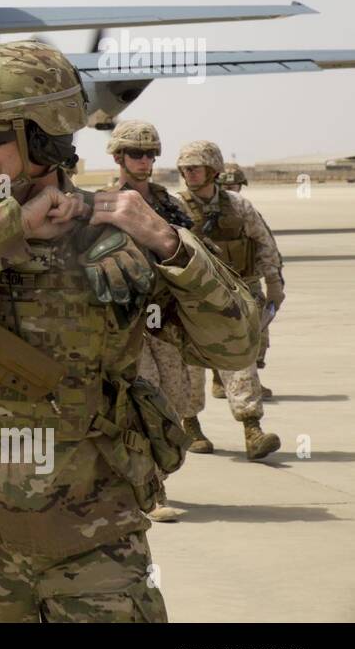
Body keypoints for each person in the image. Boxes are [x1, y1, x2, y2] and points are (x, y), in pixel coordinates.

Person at [0, 42, 259, 622]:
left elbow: (236, 344)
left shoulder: (120, 229)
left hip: (95, 522)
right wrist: (9, 228)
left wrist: (171, 246)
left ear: (44, 136)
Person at [99, 120, 205, 523]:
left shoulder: (169, 203)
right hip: (128, 321)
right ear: (118, 158)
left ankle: (142, 481)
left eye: (149, 155)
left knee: (176, 401)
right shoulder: (104, 204)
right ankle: (151, 491)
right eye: (136, 155)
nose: (144, 161)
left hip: (167, 319)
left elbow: (194, 254)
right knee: (145, 400)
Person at [177, 142, 284, 459]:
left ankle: (252, 430)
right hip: (193, 299)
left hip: (235, 296)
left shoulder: (239, 206)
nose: (188, 173)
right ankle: (191, 425)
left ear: (213, 170)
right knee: (190, 368)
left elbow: (263, 243)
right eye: (184, 168)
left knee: (242, 361)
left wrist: (274, 281)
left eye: (195, 167)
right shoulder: (174, 207)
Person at [211, 162, 273, 399]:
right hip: (220, 283)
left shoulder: (246, 210)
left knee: (258, 331)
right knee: (222, 334)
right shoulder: (204, 213)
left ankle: (253, 379)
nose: (232, 189)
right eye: (226, 185)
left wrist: (272, 276)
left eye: (235, 185)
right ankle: (219, 379)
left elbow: (264, 242)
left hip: (249, 280)